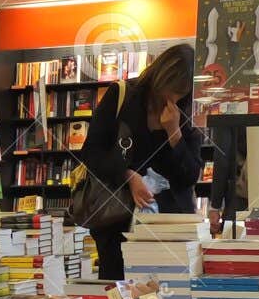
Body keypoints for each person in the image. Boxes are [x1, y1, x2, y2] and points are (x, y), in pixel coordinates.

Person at [78, 42, 204, 280]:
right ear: (159, 76)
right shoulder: (122, 96)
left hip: (170, 227)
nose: (173, 97)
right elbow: (91, 152)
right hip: (117, 220)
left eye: (182, 92)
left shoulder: (188, 110)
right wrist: (128, 174)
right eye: (171, 88)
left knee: (172, 297)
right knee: (119, 293)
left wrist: (174, 132)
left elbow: (190, 175)